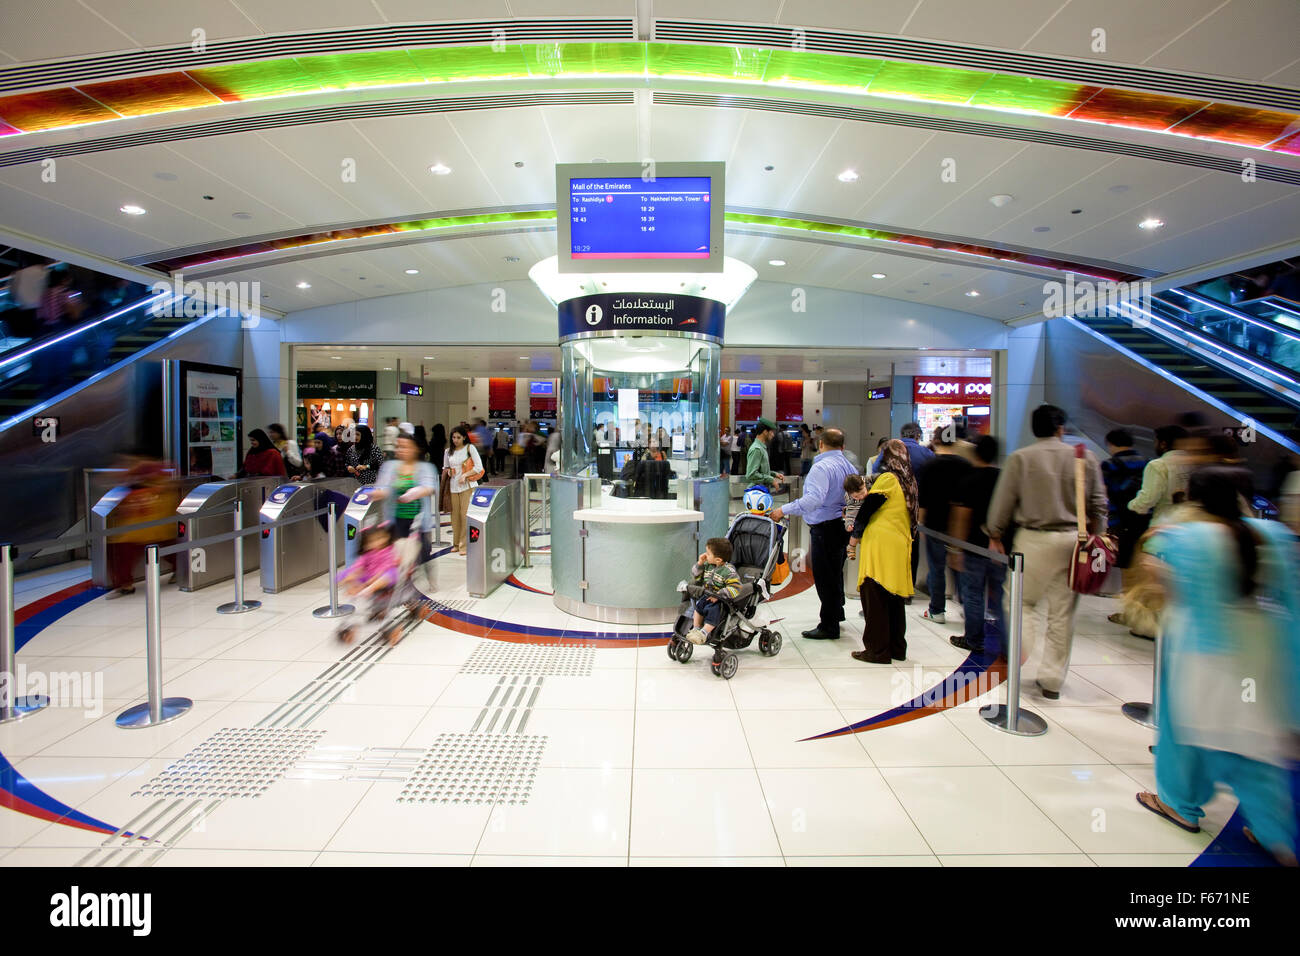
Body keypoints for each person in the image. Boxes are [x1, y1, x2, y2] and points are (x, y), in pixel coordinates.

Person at [1134, 467, 1299, 867]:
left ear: (1196, 498)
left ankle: (1180, 803)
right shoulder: (1274, 536)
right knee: (1255, 747)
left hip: (1200, 651)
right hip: (1261, 648)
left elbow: (1157, 582)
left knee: (1184, 733)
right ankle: (1274, 834)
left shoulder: (1184, 537)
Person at [984, 404, 1106, 699]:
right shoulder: (1084, 458)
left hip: (1032, 540)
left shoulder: (1021, 459)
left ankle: (1023, 652)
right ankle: (1051, 680)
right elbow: (1099, 504)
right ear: (1060, 428)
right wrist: (1097, 537)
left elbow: (1003, 501)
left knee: (1020, 602)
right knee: (1063, 613)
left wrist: (995, 532)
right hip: (1072, 542)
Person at [771, 428, 858, 640]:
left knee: (825, 577)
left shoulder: (821, 468)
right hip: (841, 526)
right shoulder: (849, 466)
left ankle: (829, 626)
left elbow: (813, 500)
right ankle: (837, 614)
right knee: (835, 573)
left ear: (820, 445)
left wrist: (783, 510)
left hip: (825, 529)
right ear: (842, 446)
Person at [846, 439, 918, 663]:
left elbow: (867, 509)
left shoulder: (888, 478)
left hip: (881, 547)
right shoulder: (909, 480)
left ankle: (877, 650)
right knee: (893, 599)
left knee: (874, 597)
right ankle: (897, 648)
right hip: (899, 544)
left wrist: (853, 540)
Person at [947, 435, 1004, 654]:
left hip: (973, 547)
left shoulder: (968, 479)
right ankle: (1007, 645)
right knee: (1002, 598)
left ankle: (974, 639)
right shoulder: (1004, 479)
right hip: (1000, 549)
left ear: (976, 453)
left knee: (973, 594)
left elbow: (961, 516)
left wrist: (955, 548)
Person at [915, 427, 972, 624]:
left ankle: (937, 610)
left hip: (934, 524)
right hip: (960, 525)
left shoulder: (929, 465)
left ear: (936, 440)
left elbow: (923, 498)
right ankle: (968, 606)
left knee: (936, 567)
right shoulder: (966, 465)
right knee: (960, 567)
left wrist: (921, 523)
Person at [105, 460, 181, 599]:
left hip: (152, 522)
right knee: (124, 552)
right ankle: (124, 584)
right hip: (143, 525)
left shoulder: (151, 474)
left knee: (166, 547)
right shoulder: (145, 475)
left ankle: (125, 584)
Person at [372, 429, 438, 584]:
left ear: (415, 448)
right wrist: (373, 494)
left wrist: (413, 494)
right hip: (397, 519)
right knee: (399, 552)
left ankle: (430, 578)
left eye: (405, 446)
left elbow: (429, 488)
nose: (400, 450)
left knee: (423, 553)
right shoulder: (389, 466)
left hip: (419, 520)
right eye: (398, 446)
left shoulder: (426, 467)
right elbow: (383, 488)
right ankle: (403, 582)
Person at [334, 523, 403, 645]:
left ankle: (368, 588)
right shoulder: (366, 555)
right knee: (348, 573)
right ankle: (355, 587)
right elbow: (359, 566)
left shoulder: (389, 551)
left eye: (381, 538)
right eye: (373, 541)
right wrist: (354, 575)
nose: (378, 542)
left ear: (387, 537)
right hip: (369, 578)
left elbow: (388, 565)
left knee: (389, 574)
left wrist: (373, 580)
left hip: (383, 580)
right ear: (366, 543)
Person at [1127, 425, 1190, 528]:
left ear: (1163, 444)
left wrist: (1132, 506)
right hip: (1190, 524)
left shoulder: (1158, 465)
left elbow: (1148, 499)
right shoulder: (1194, 464)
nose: (1155, 445)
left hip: (1165, 524)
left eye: (1156, 441)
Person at [684, 537, 743, 645]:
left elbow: (736, 588)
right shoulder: (708, 565)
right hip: (707, 595)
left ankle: (704, 632)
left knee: (713, 612)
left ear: (718, 560)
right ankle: (696, 629)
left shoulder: (728, 571)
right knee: (698, 607)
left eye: (708, 553)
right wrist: (700, 563)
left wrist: (720, 594)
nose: (705, 555)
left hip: (720, 600)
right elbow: (696, 576)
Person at [444, 424, 484, 555]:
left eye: (458, 437)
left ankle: (464, 546)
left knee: (464, 515)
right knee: (454, 517)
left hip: (467, 486)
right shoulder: (448, 451)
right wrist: (449, 471)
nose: (455, 440)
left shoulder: (470, 448)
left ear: (464, 438)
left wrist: (465, 475)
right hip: (453, 487)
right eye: (453, 437)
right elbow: (445, 468)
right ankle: (456, 544)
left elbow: (479, 467)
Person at [745, 418, 785, 493]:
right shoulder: (756, 449)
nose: (773, 435)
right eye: (772, 432)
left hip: (762, 491)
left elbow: (761, 471)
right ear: (765, 432)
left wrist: (774, 474)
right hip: (756, 493)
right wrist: (771, 479)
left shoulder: (762, 448)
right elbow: (751, 474)